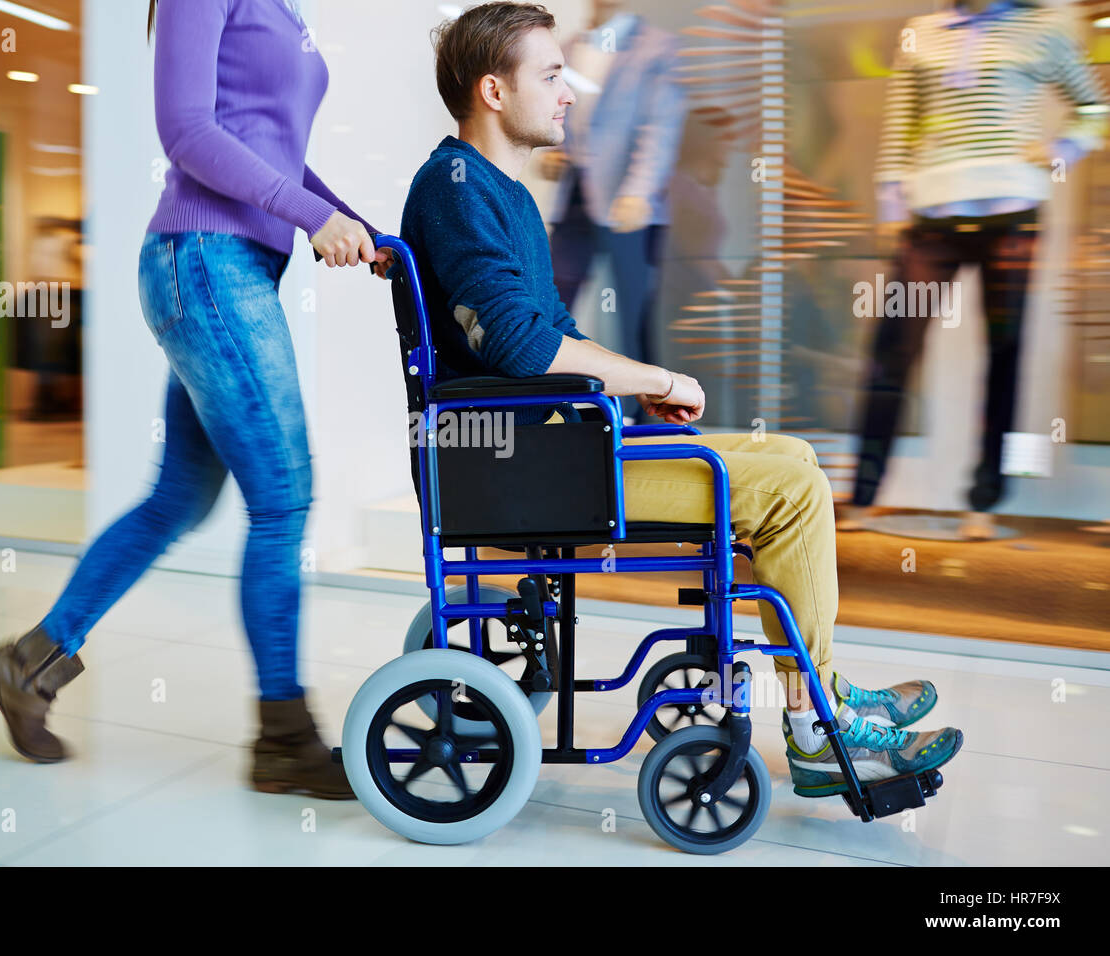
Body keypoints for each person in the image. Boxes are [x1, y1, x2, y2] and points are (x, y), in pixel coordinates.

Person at [400, 1, 964, 797]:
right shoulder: (458, 190)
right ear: (494, 92)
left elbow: (552, 334)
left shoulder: (500, 195)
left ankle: (821, 695)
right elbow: (523, 348)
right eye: (552, 76)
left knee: (793, 458)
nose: (568, 94)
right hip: (527, 467)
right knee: (792, 486)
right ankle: (818, 721)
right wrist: (658, 379)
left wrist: (638, 393)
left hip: (550, 449)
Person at [0, 0, 389, 801]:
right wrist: (313, 219)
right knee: (283, 500)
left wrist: (355, 225)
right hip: (205, 261)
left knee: (177, 501)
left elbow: (275, 149)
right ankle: (284, 739)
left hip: (231, 270)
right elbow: (189, 133)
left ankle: (26, 666)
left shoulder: (284, 7)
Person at [843, 0, 1109, 540]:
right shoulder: (922, 32)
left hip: (1011, 213)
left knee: (1004, 355)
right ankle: (864, 496)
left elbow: (1094, 107)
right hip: (932, 218)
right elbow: (902, 126)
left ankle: (982, 502)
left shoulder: (1043, 26)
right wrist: (893, 210)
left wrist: (1059, 151)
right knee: (891, 352)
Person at [536, 0, 682, 421]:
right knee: (546, 305)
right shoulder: (567, 45)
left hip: (628, 206)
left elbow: (660, 129)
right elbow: (561, 111)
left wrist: (638, 191)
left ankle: (657, 430)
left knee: (632, 322)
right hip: (576, 199)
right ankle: (548, 416)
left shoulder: (657, 48)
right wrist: (556, 150)